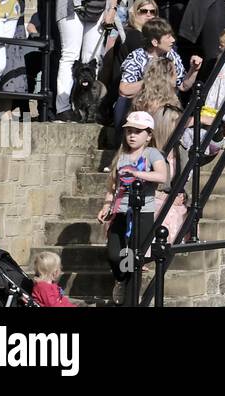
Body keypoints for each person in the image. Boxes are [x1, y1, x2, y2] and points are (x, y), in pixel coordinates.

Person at [96, 111, 169, 305]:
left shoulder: (152, 153)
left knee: (133, 258)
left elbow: (162, 176)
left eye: (138, 131)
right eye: (129, 130)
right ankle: (120, 281)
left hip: (141, 213)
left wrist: (138, 174)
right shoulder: (121, 155)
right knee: (114, 254)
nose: (132, 135)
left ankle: (129, 300)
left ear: (149, 135)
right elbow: (113, 185)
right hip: (120, 212)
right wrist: (106, 205)